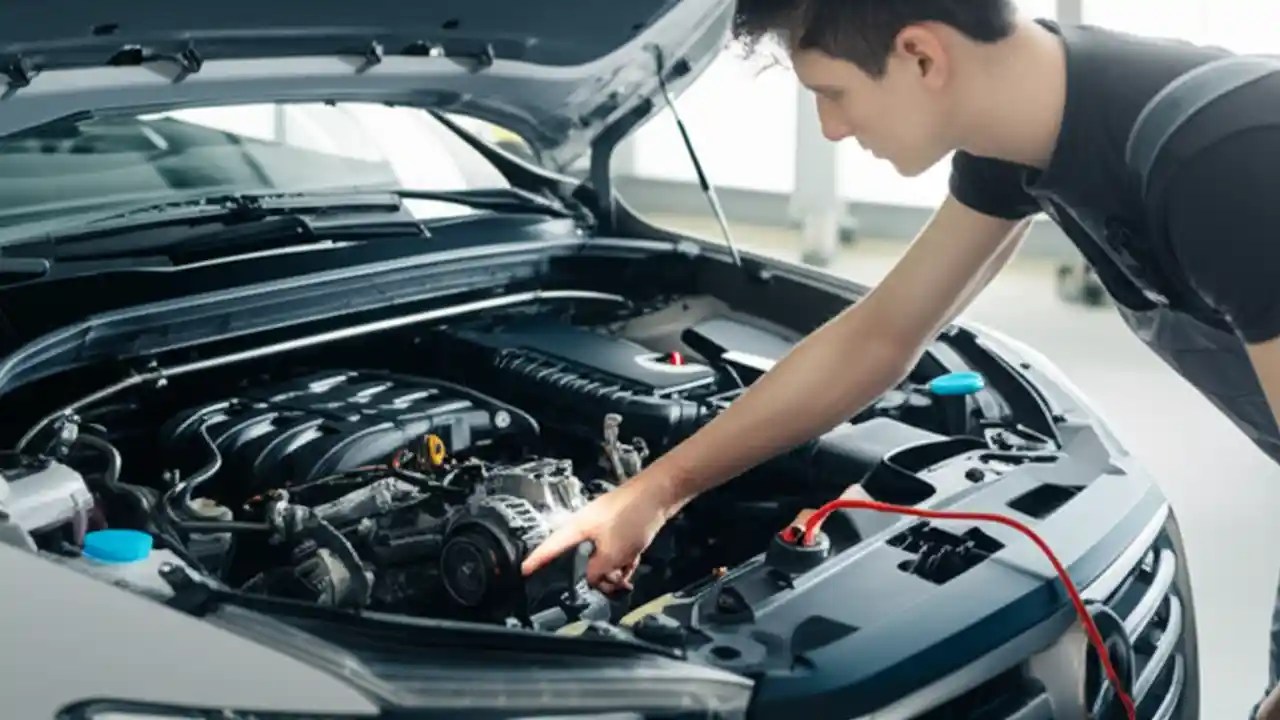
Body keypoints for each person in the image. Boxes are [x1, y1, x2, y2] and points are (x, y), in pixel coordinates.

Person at [520, 1, 1280, 715]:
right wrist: (654, 492)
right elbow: (879, 337)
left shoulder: (1224, 167)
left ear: (920, 55)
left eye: (833, 92)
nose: (830, 129)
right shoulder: (1027, 137)